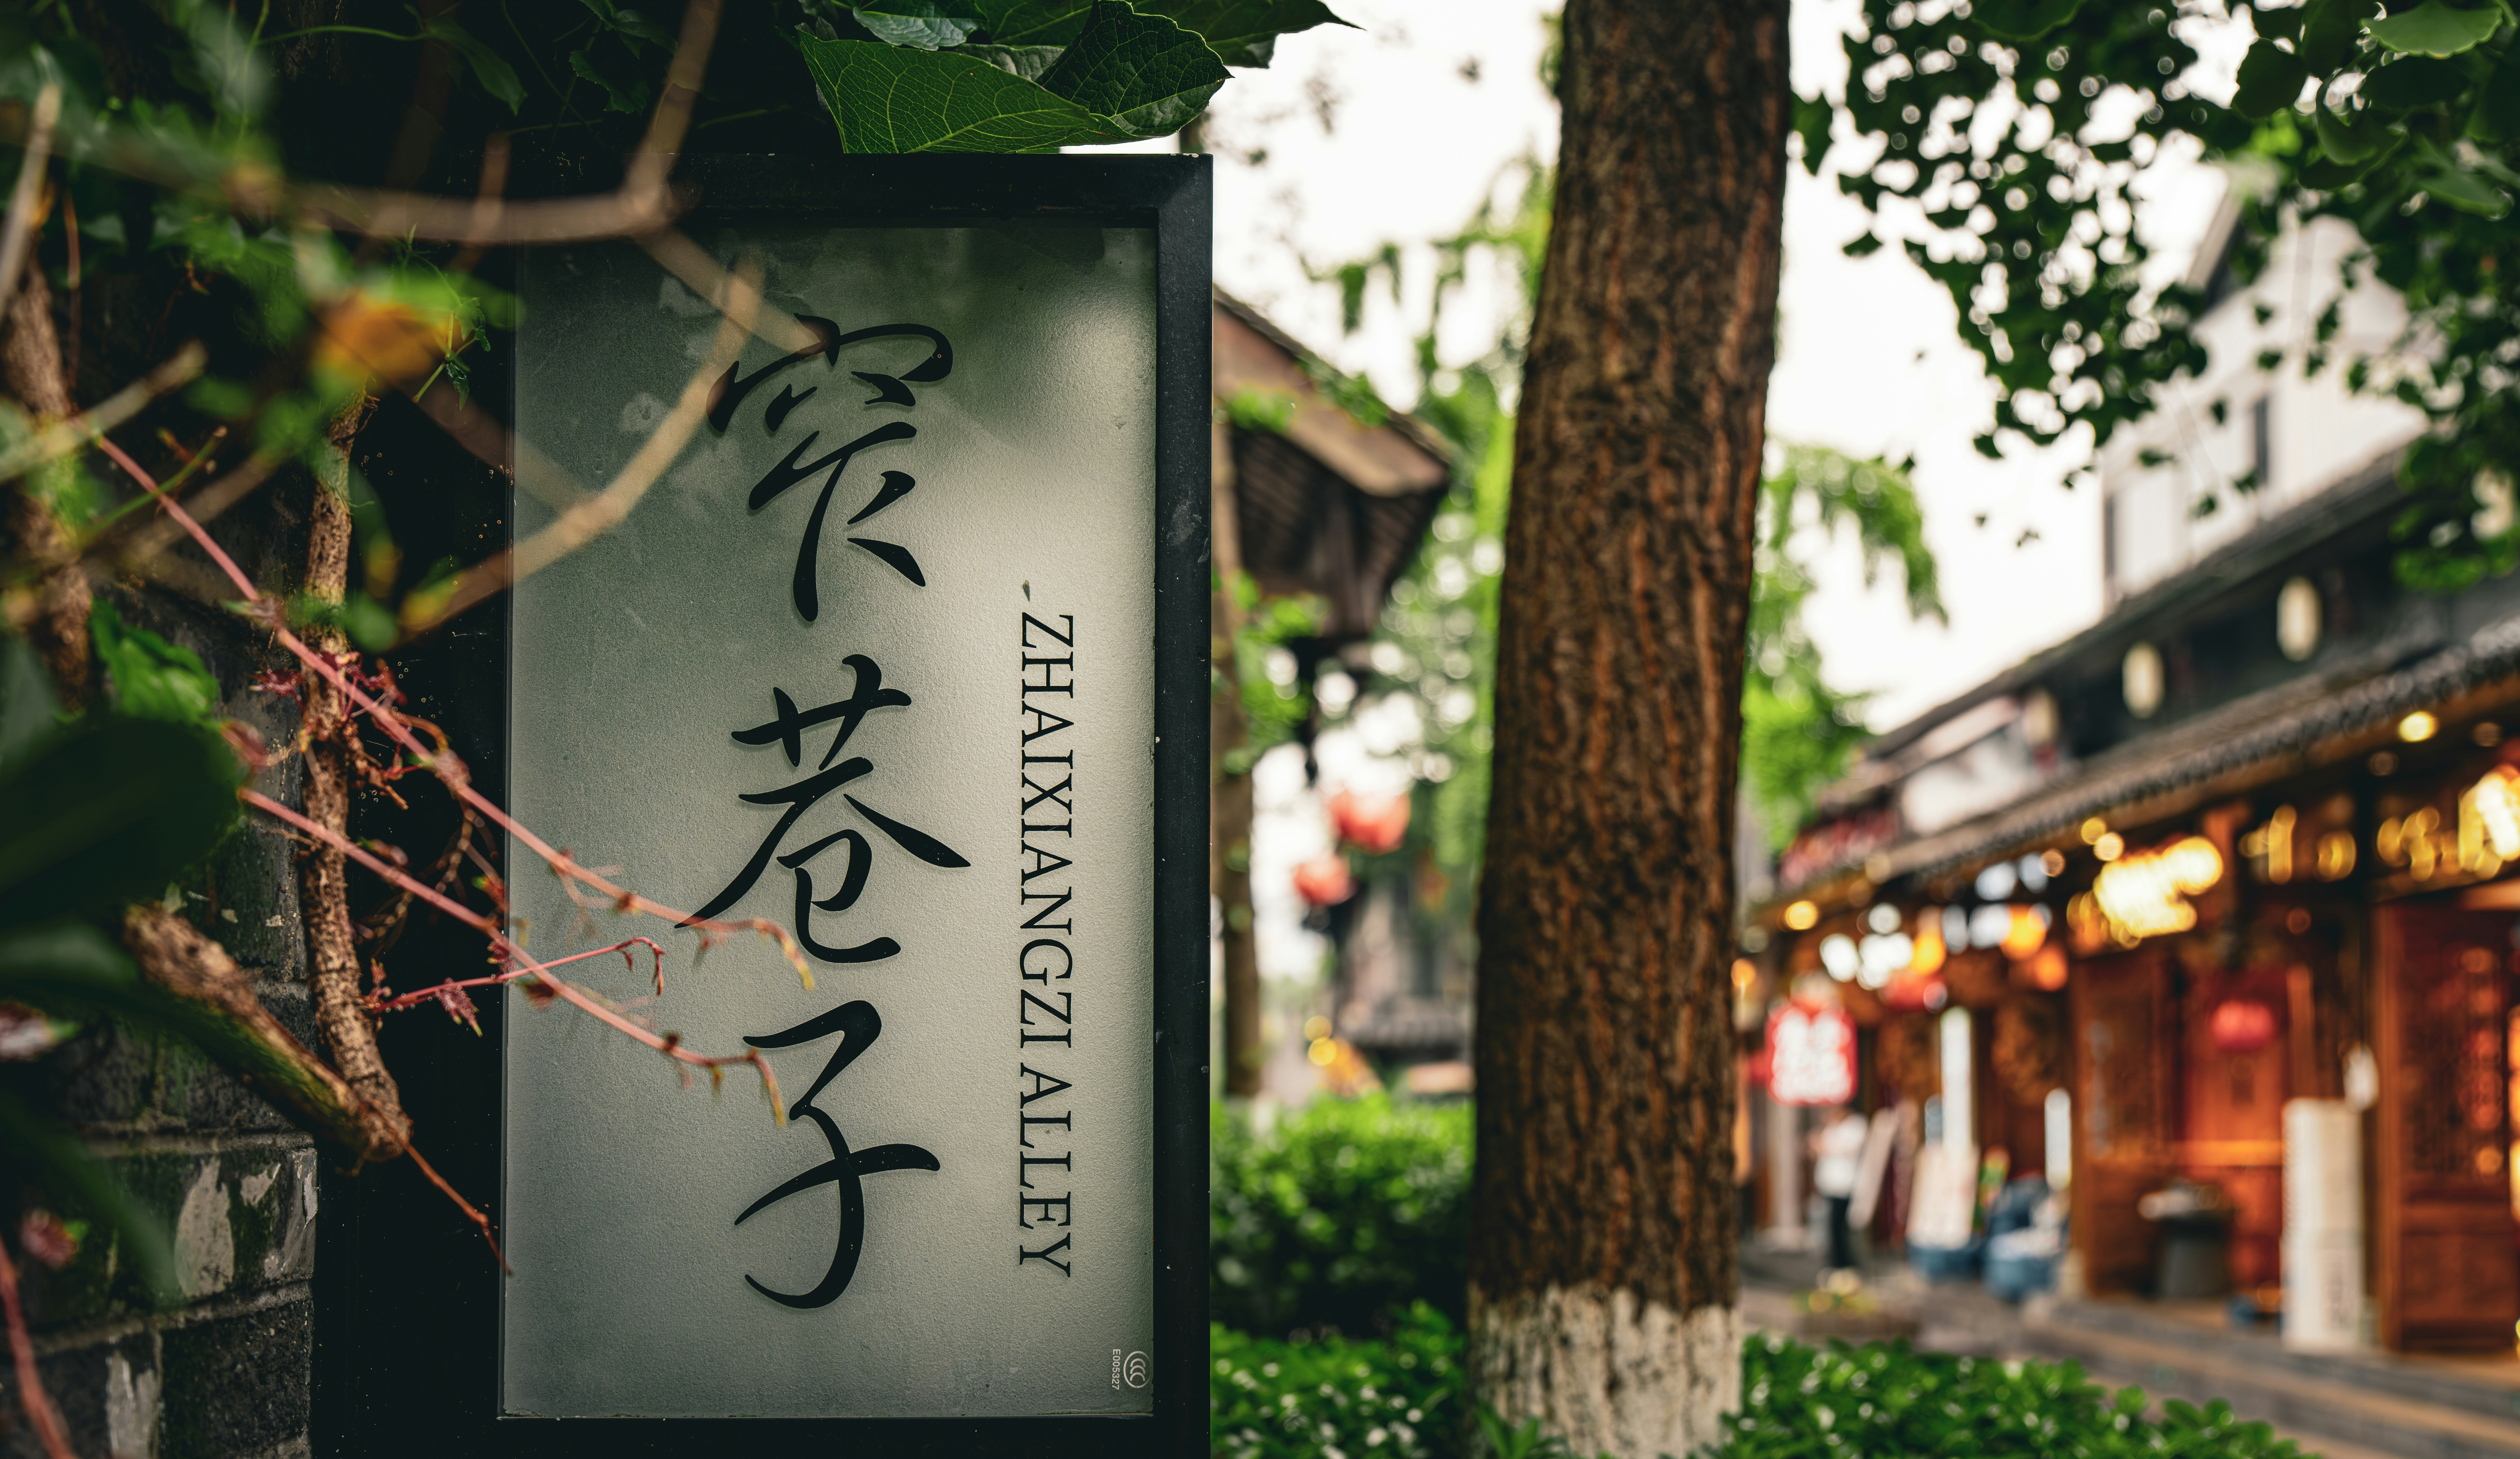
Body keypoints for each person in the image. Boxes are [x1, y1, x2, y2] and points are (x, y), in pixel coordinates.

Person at [1809, 1105, 1868, 1275]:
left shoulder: (1856, 1125)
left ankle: (1843, 1262)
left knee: (1840, 1225)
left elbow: (1843, 1149)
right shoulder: (1833, 1127)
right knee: (1832, 1225)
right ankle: (1837, 1260)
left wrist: (1821, 1146)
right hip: (1831, 1185)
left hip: (1844, 1185)